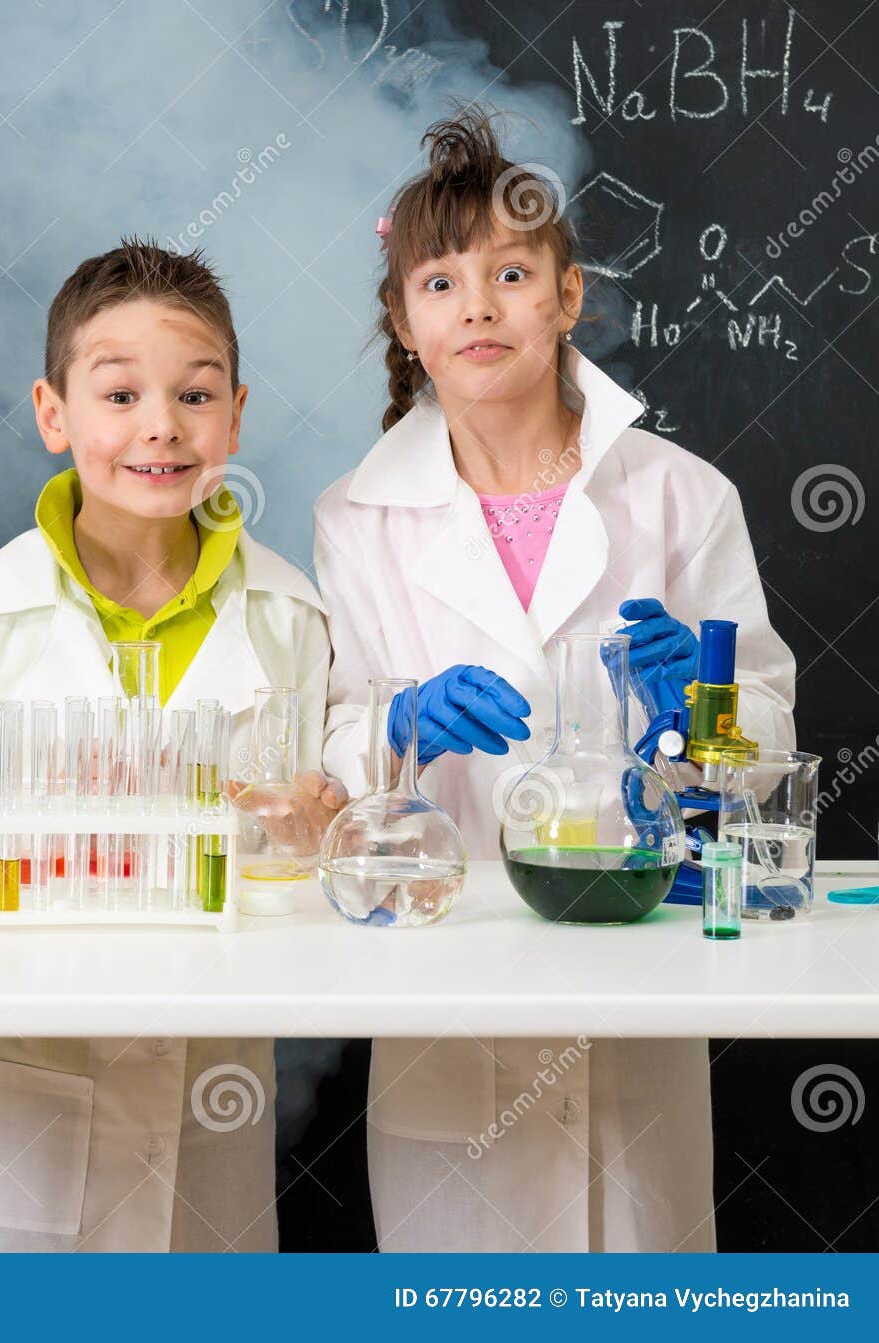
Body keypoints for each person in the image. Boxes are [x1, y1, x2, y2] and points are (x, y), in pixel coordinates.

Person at [314, 108, 795, 1252]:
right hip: (449, 966)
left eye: (512, 274)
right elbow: (331, 742)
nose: (477, 307)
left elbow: (767, 739)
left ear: (568, 296)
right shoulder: (355, 516)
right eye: (440, 284)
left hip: (640, 955)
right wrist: (397, 722)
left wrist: (705, 711)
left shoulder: (680, 493)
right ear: (404, 323)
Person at [0, 239, 341, 1251]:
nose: (161, 425)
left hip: (210, 1106)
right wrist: (73, 835)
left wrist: (310, 834)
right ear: (53, 413)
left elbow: (319, 850)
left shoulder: (291, 613)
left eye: (195, 395)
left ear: (235, 416)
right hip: (18, 1116)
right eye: (119, 395)